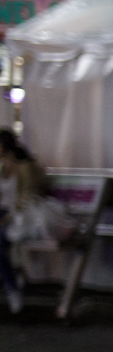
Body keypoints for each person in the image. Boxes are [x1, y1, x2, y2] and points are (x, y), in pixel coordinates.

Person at [1, 128, 46, 314]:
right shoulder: (3, 166)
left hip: (20, 217)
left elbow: (28, 197)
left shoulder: (24, 167)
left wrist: (9, 217)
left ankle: (12, 286)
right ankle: (12, 278)